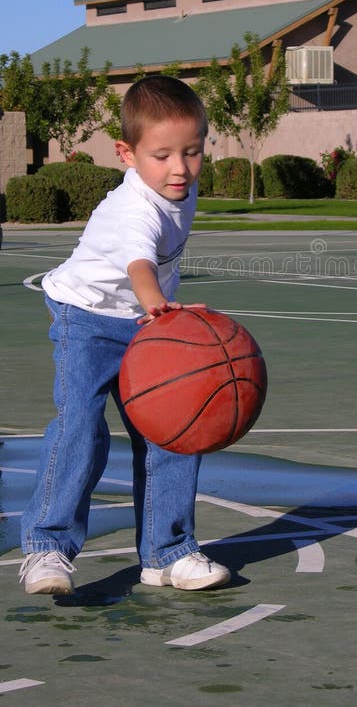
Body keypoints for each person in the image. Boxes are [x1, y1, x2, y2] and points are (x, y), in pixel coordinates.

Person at [19, 76, 230, 595]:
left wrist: (156, 314)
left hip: (144, 324)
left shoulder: (179, 184)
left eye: (193, 152)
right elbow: (140, 262)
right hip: (86, 317)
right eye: (162, 155)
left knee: (176, 426)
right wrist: (160, 306)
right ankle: (46, 547)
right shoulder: (134, 206)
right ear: (127, 154)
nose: (179, 168)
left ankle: (167, 553)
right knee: (81, 428)